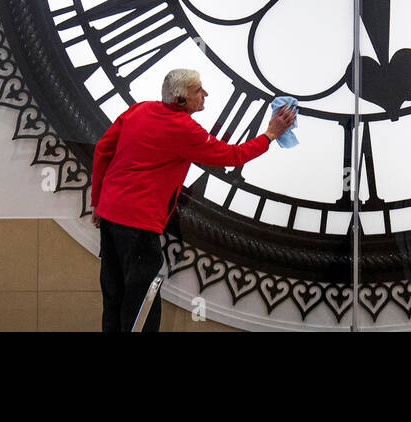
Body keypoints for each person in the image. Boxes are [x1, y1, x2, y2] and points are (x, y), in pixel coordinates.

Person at [90, 68, 296, 332]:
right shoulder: (184, 129)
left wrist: (97, 201)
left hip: (109, 215)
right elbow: (231, 156)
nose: (205, 94)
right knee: (141, 303)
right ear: (181, 100)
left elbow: (103, 149)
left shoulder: (138, 110)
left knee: (114, 295)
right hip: (140, 224)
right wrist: (269, 135)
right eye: (198, 90)